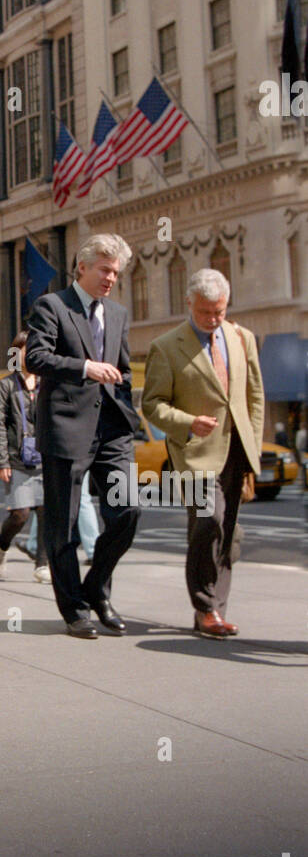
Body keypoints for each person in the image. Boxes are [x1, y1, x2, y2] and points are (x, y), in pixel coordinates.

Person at [26, 233, 141, 639]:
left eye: (116, 272)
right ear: (82, 267)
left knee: (127, 511)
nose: (111, 278)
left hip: (111, 429)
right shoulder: (52, 306)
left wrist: (122, 396)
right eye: (104, 270)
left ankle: (96, 587)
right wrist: (85, 367)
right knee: (65, 526)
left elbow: (123, 369)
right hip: (66, 428)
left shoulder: (118, 313)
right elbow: (35, 357)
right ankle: (75, 608)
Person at [143, 268, 264, 640]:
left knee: (227, 533)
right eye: (205, 312)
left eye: (220, 311)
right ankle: (205, 606)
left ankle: (213, 611)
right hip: (194, 454)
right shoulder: (166, 346)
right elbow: (153, 404)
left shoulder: (242, 338)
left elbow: (255, 396)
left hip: (236, 451)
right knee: (208, 522)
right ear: (189, 304)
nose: (213, 320)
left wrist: (254, 448)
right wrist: (187, 422)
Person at [0, 331, 50, 584]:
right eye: (25, 349)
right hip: (17, 459)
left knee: (46, 512)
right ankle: (1, 548)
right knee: (20, 514)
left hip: (45, 458)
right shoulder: (6, 385)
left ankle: (42, 565)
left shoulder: (47, 382)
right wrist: (2, 461)